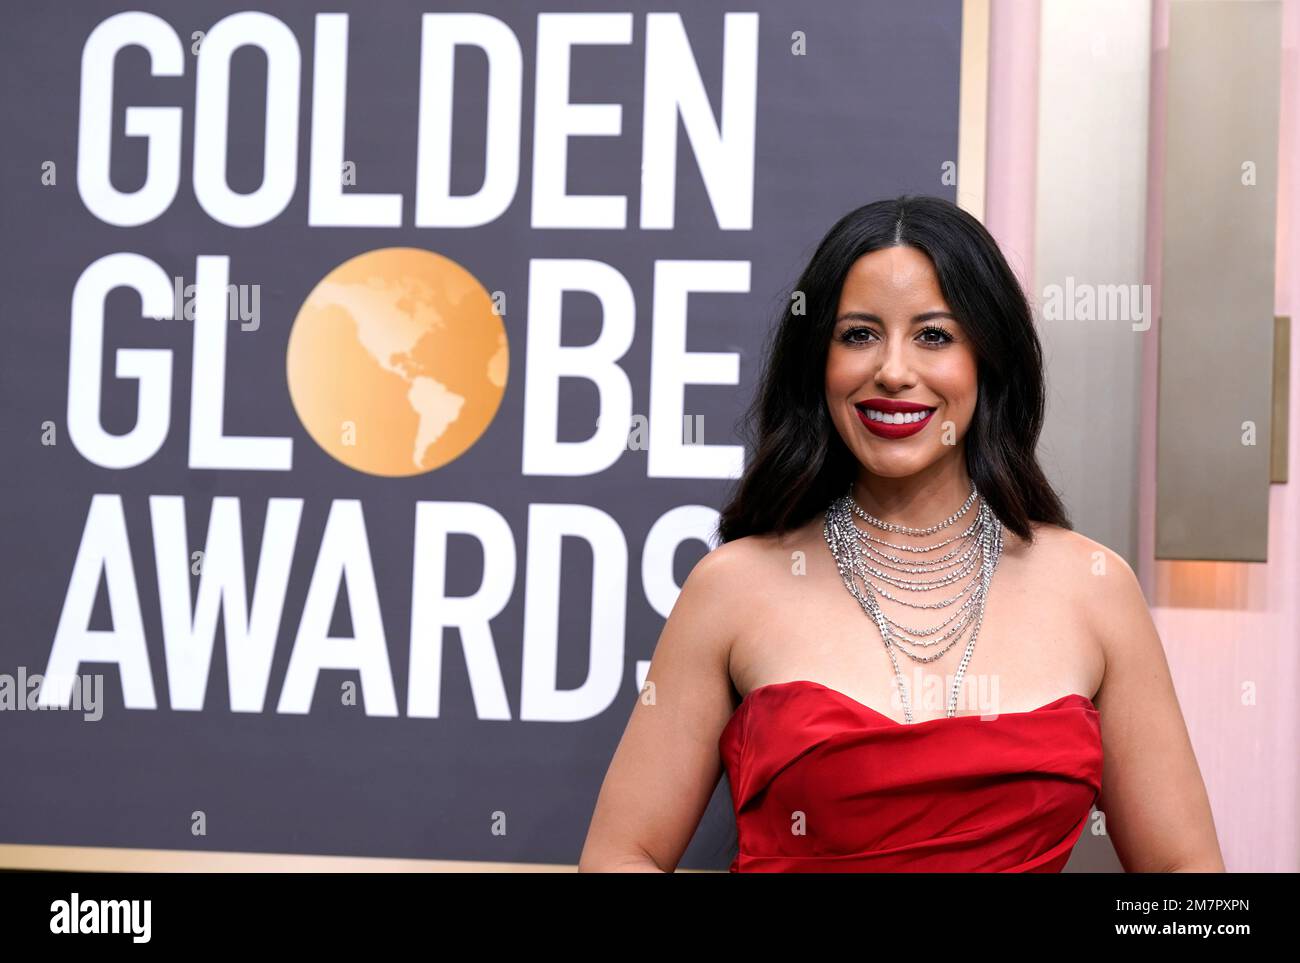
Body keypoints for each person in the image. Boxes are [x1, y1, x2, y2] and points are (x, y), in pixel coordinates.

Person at [579, 194, 1224, 873]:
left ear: (988, 359)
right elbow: (625, 854)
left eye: (934, 335)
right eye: (858, 334)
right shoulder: (734, 587)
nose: (891, 370)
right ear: (817, 362)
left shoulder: (1094, 588)